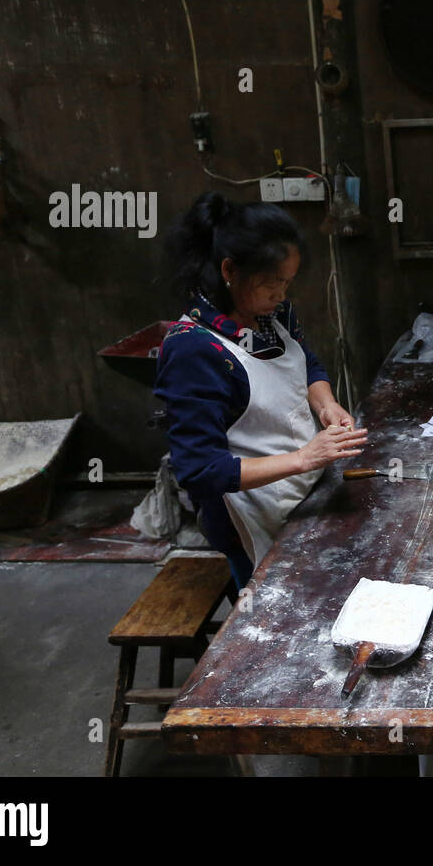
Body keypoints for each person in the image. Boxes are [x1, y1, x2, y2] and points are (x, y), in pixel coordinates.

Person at [154, 192, 367, 589]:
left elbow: (307, 365)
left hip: (306, 491)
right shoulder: (195, 348)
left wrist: (326, 404)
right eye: (272, 284)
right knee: (272, 622)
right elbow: (200, 470)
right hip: (252, 515)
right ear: (230, 270)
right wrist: (304, 457)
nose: (282, 295)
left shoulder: (271, 313)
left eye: (287, 283)